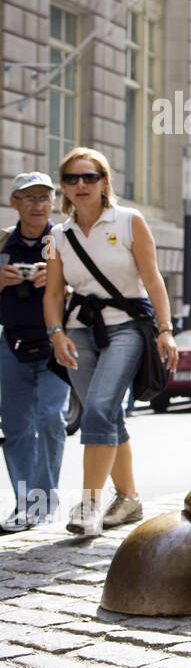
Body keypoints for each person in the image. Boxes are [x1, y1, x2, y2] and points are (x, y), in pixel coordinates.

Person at [44, 148, 179, 536]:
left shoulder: (130, 221)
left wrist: (166, 329)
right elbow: (53, 293)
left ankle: (88, 505)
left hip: (126, 327)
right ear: (64, 187)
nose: (80, 185)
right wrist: (56, 334)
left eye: (89, 177)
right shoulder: (57, 236)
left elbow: (153, 280)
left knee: (100, 407)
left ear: (105, 182)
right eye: (71, 179)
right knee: (104, 414)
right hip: (79, 330)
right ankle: (129, 498)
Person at [0, 173, 69, 533]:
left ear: (53, 202)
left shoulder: (65, 241)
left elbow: (90, 290)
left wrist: (62, 284)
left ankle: (42, 504)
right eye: (29, 198)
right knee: (15, 429)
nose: (38, 205)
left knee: (49, 419)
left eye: (44, 198)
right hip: (11, 345)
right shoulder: (1, 243)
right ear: (14, 203)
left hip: (56, 344)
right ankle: (25, 505)